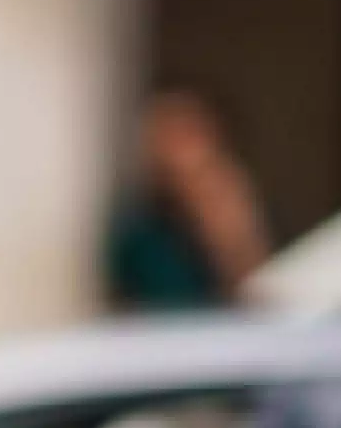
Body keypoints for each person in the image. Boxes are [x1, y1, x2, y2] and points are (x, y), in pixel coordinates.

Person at [105, 83, 272, 309]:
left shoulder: (229, 201)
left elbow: (257, 296)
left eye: (186, 133)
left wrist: (230, 231)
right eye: (163, 133)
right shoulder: (137, 227)